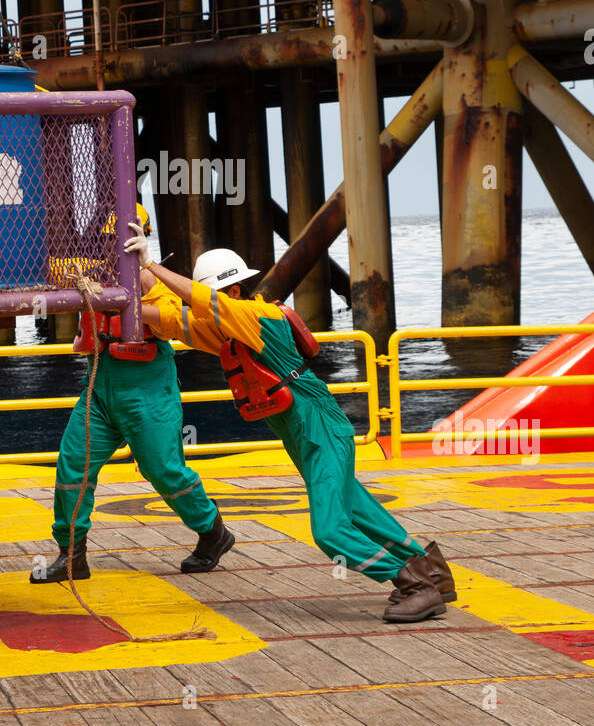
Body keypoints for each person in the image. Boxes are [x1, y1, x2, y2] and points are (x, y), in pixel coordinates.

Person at [125, 225, 456, 624]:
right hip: (304, 433)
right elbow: (166, 314)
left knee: (329, 531)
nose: (199, 307)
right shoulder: (226, 332)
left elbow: (198, 300)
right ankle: (432, 571)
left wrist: (152, 263)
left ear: (228, 294)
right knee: (356, 507)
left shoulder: (255, 316)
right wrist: (114, 286)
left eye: (207, 298)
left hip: (320, 426)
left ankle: (413, 586)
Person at [31, 206, 235, 584]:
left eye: (120, 240)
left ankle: (213, 531)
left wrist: (141, 284)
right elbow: (43, 266)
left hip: (149, 388)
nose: (113, 248)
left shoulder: (150, 282)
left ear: (139, 239)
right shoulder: (88, 275)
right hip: (101, 385)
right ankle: (72, 554)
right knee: (72, 465)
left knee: (164, 470)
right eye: (107, 240)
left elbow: (175, 317)